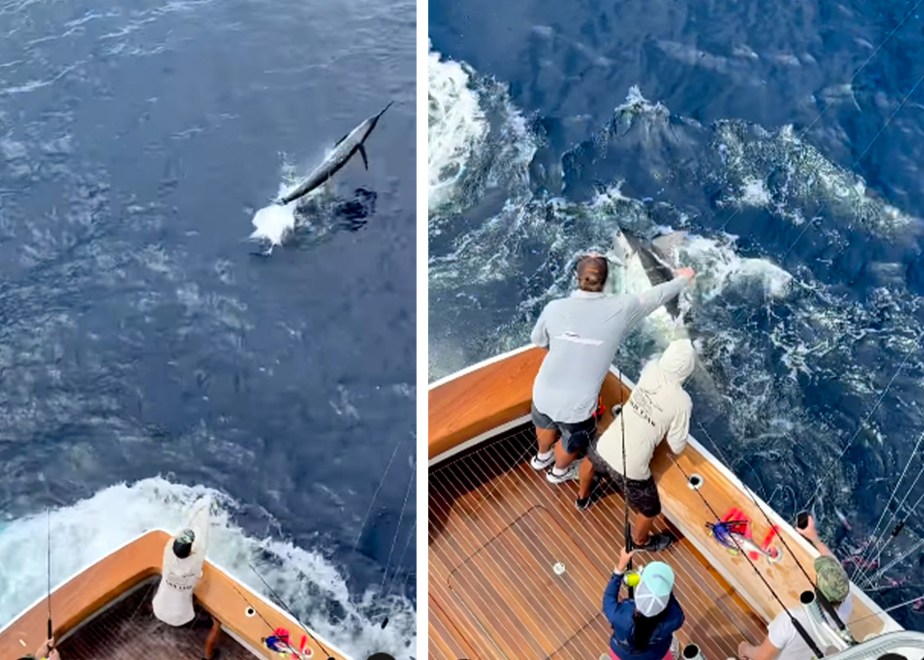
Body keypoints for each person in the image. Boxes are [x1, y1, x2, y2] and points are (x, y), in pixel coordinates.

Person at [530, 253, 695, 483]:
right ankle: (559, 472)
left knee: (544, 421)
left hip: (543, 390)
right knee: (570, 441)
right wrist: (683, 279)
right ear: (606, 282)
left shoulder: (553, 307)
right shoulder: (622, 307)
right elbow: (656, 297)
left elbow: (538, 340)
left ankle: (541, 457)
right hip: (577, 406)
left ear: (577, 278)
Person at [576, 338, 696, 552]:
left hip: (605, 445)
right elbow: (677, 446)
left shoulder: (651, 369)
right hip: (630, 469)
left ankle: (582, 500)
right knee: (650, 509)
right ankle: (640, 541)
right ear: (687, 370)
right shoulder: (683, 401)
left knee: (590, 459)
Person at [736, 514, 853, 660]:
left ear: (817, 589)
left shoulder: (790, 620)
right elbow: (836, 566)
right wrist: (813, 536)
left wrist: (745, 648)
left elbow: (761, 658)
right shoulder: (846, 602)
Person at [152, 496, 223, 660]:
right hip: (182, 616)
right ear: (190, 550)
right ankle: (209, 655)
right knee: (216, 623)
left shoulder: (168, 552)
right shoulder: (195, 561)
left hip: (159, 609)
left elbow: (176, 541)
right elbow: (200, 544)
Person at [604, 548, 685, 660]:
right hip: (657, 656)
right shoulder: (675, 619)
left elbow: (609, 597)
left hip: (621, 656)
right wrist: (662, 588)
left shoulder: (619, 616)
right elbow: (672, 606)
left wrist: (621, 566)